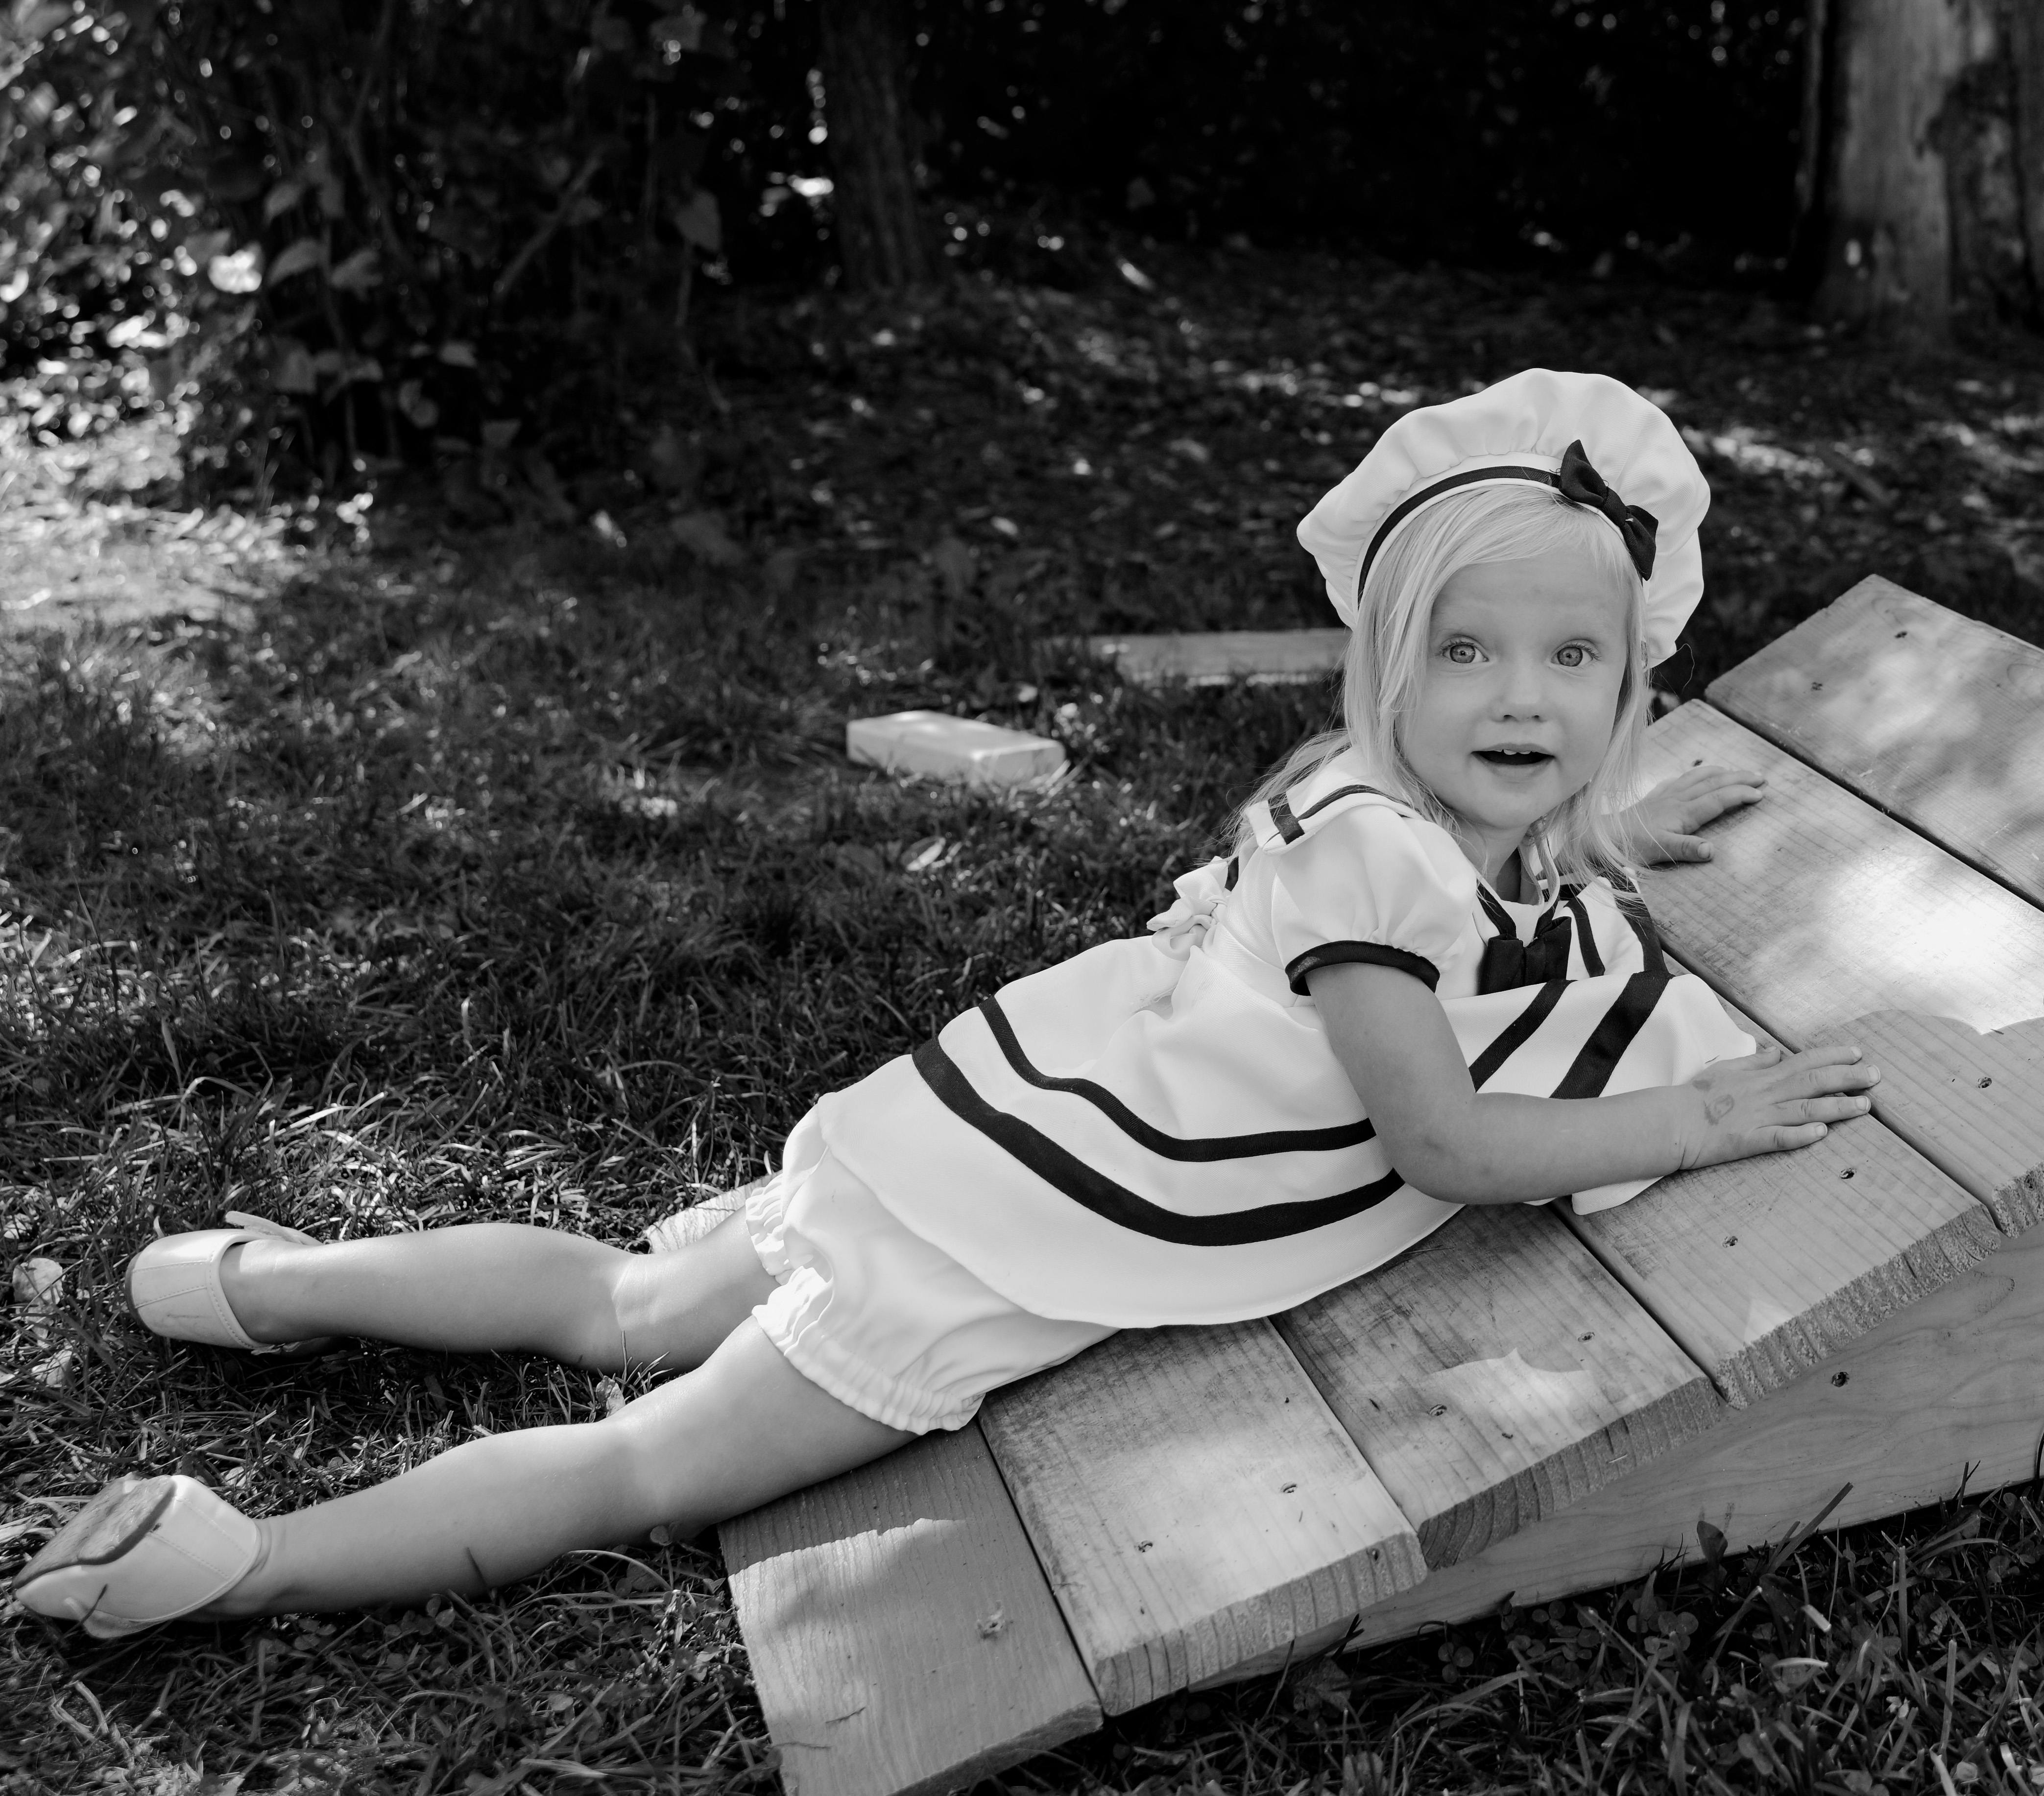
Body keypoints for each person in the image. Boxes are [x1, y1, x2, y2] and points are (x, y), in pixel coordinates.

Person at [13, 369, 1880, 1638]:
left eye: (1574, 659)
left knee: (617, 1295)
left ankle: (260, 1279)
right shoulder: (1387, 869)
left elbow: (1523, 839)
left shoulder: (1376, 797)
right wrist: (1692, 1120)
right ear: (1390, 662)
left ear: (1628, 681)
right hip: (1007, 1251)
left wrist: (1628, 817)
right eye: (1465, 651)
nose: (1520, 697)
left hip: (965, 1130)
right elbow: (1448, 1138)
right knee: (647, 1457)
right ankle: (243, 1563)